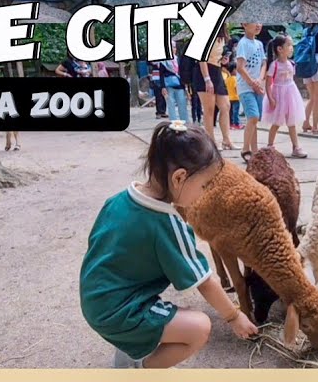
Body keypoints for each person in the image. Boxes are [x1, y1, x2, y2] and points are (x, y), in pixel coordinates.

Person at [80, 122, 258, 368]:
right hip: (118, 312)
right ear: (179, 178)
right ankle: (139, 368)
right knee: (199, 327)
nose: (204, 194)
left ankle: (128, 346)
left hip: (94, 300)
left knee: (175, 314)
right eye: (204, 186)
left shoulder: (118, 201)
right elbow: (204, 281)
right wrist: (234, 316)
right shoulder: (166, 222)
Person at [262, 35, 308, 158]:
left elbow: (291, 80)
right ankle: (270, 146)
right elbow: (268, 83)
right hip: (278, 95)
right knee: (276, 122)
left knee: (291, 122)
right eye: (288, 45)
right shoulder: (274, 65)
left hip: (290, 95)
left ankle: (296, 147)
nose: (291, 48)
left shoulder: (291, 63)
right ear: (279, 49)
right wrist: (271, 98)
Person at [192, 35, 233, 150]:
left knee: (225, 106)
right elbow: (201, 58)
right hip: (204, 72)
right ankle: (211, 141)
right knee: (209, 109)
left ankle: (227, 139)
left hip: (217, 69)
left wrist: (223, 59)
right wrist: (207, 79)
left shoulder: (222, 37)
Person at [235, 23, 267, 161]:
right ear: (244, 24)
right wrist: (252, 83)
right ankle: (245, 148)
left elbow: (264, 63)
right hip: (245, 87)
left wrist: (260, 79)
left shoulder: (259, 44)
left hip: (257, 86)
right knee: (253, 116)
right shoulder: (243, 43)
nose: (258, 25)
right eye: (255, 22)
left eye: (260, 22)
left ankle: (255, 150)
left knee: (254, 120)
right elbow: (240, 68)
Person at [224, 60, 242, 130]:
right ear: (234, 70)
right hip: (236, 97)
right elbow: (236, 88)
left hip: (229, 98)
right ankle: (236, 124)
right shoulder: (235, 79)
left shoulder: (227, 79)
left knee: (230, 112)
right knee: (236, 112)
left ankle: (230, 124)